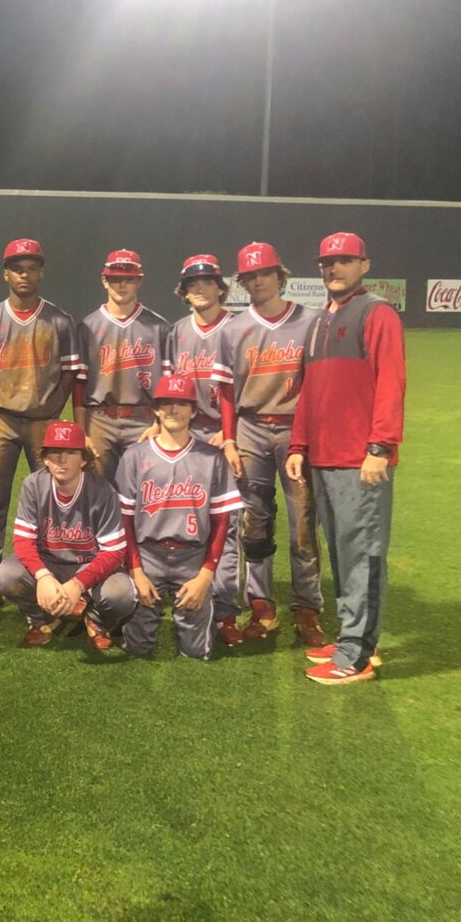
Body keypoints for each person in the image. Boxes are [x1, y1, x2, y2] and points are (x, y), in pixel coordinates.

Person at [288, 232, 405, 686]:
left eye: (343, 261)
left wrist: (379, 448)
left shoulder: (377, 313)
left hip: (361, 460)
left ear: (364, 264)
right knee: (342, 554)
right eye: (326, 262)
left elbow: (392, 383)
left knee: (364, 556)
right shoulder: (319, 321)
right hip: (323, 459)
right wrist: (299, 446)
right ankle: (351, 640)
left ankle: (357, 654)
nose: (333, 268)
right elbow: (308, 394)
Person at [223, 241, 326, 646]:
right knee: (254, 520)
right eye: (249, 276)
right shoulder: (234, 328)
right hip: (250, 429)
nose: (257, 281)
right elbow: (227, 391)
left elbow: (318, 387)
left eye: (264, 273)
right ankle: (261, 605)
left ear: (280, 276)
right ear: (242, 282)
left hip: (296, 430)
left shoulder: (310, 321)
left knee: (304, 523)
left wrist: (304, 439)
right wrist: (229, 439)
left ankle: (306, 606)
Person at [0, 239, 83, 561]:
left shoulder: (59, 320)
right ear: (6, 274)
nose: (24, 275)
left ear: (41, 273)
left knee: (52, 496)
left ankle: (52, 564)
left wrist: (52, 406)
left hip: (44, 421)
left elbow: (71, 372)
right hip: (0, 420)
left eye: (32, 269)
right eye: (17, 269)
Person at [117, 376, 244, 661]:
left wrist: (206, 574)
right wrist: (135, 571)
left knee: (197, 652)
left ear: (194, 411)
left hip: (193, 558)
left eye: (181, 403)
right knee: (137, 648)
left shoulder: (211, 458)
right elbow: (124, 519)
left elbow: (222, 522)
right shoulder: (134, 456)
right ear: (156, 410)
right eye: (166, 404)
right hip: (147, 555)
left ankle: (206, 611)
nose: (173, 409)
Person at [0, 421, 136, 649]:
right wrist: (43, 576)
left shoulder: (102, 491)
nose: (62, 460)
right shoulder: (33, 485)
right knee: (7, 575)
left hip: (87, 565)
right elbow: (23, 540)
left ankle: (95, 619)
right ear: (45, 459)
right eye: (55, 452)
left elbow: (114, 552)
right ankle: (44, 618)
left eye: (70, 452)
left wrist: (77, 585)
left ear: (83, 459)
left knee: (122, 594)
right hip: (48, 562)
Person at [167, 254, 247, 649]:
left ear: (220, 287)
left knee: (228, 527)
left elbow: (237, 389)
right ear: (184, 291)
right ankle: (189, 598)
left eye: (207, 282)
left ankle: (228, 609)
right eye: (192, 283)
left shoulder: (236, 326)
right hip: (187, 438)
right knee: (187, 521)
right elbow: (169, 389)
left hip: (222, 437)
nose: (199, 289)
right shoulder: (177, 331)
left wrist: (229, 435)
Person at [76, 249, 173, 485]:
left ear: (139, 281)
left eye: (128, 279)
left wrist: (160, 424)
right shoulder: (88, 327)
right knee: (96, 492)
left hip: (144, 419)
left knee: (145, 491)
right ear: (104, 280)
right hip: (100, 419)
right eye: (115, 279)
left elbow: (169, 385)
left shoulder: (159, 327)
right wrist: (82, 432)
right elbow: (78, 384)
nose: (122, 285)